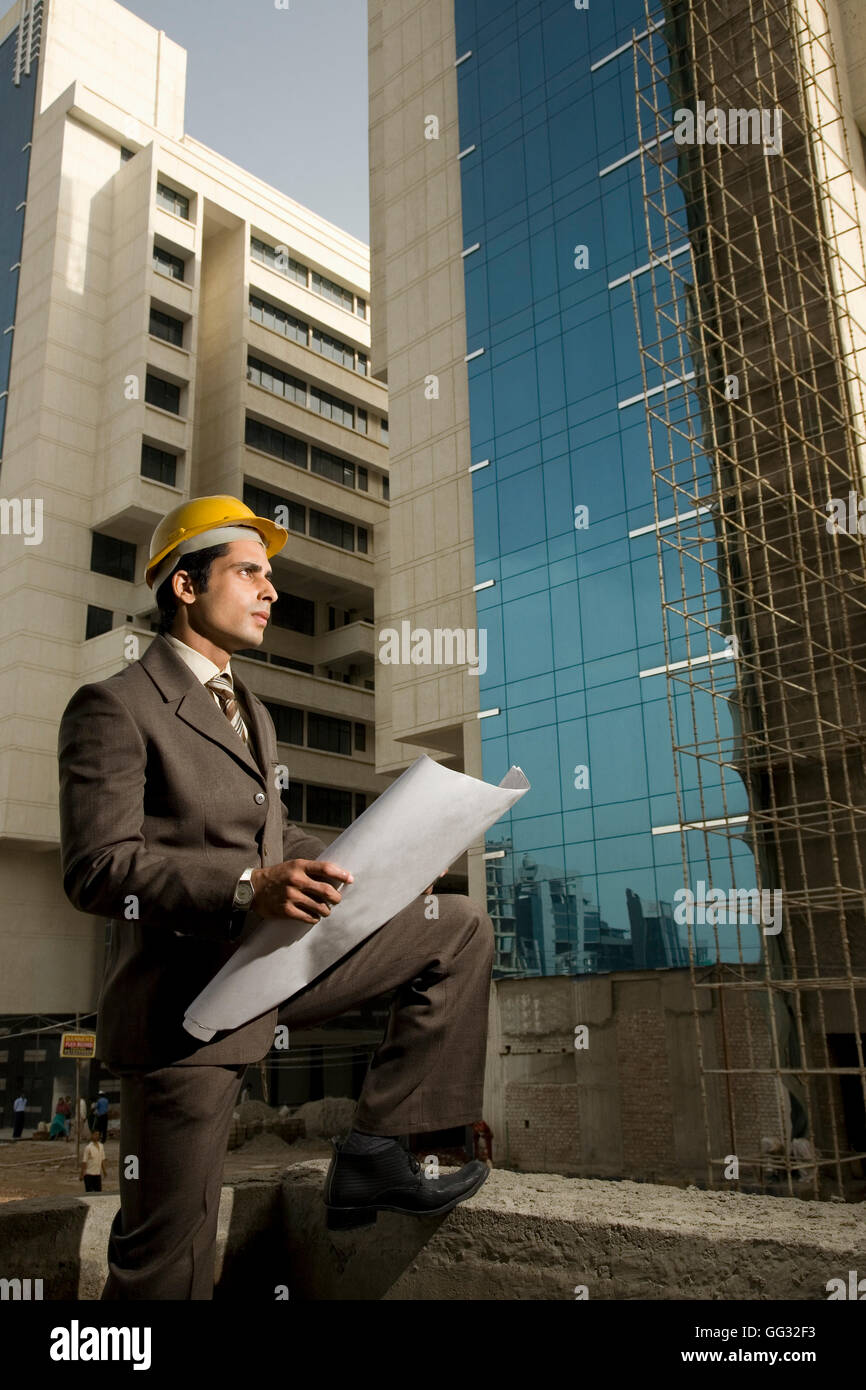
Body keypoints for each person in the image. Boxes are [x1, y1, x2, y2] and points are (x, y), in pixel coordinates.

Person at [57, 496, 494, 1300]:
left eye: (270, 577)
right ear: (185, 586)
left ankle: (377, 1152)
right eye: (250, 572)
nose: (271, 592)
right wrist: (244, 888)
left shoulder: (250, 707)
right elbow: (98, 867)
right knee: (168, 1268)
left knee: (455, 926)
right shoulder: (114, 707)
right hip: (179, 1017)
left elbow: (270, 844)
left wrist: (374, 866)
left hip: (271, 972)